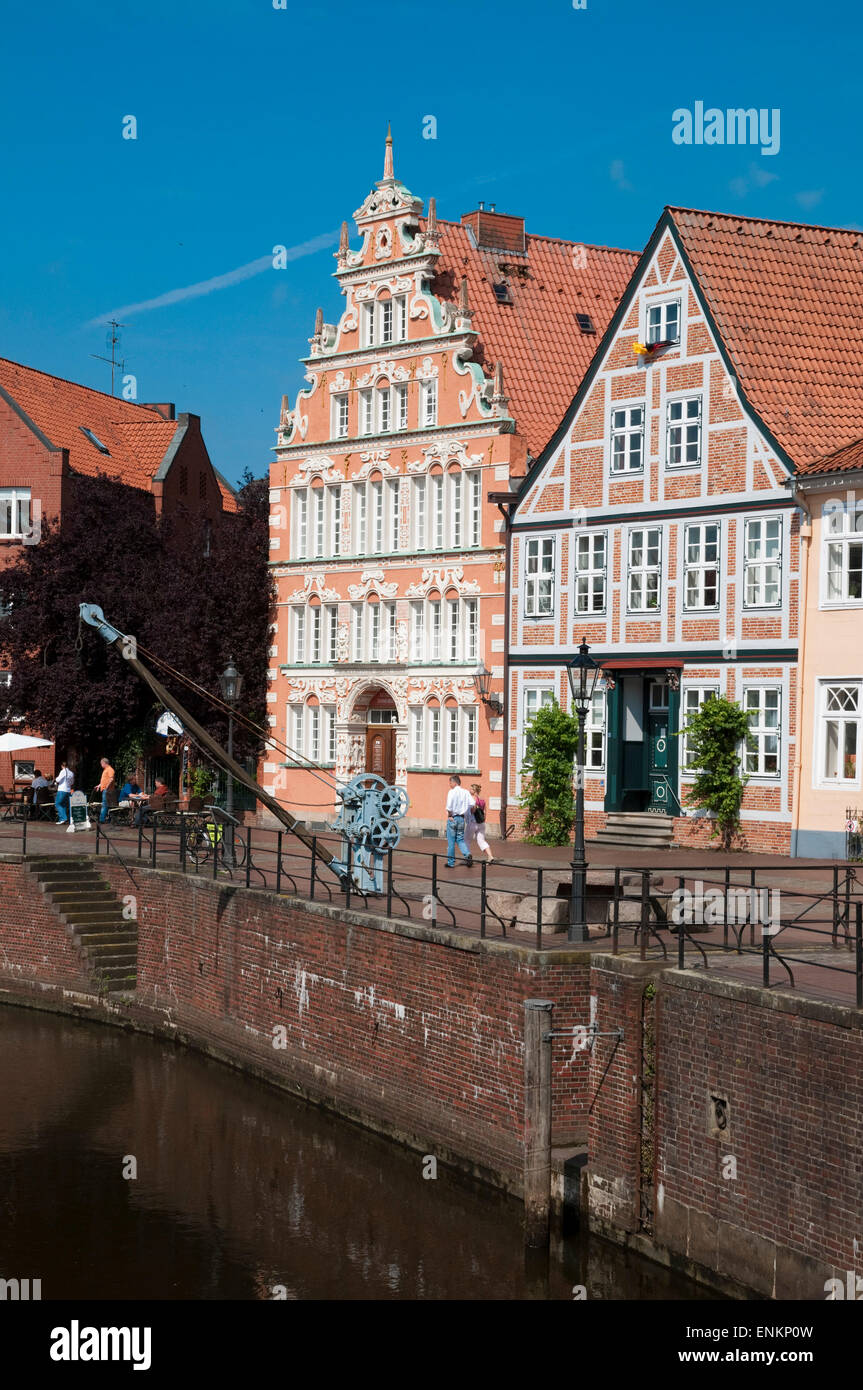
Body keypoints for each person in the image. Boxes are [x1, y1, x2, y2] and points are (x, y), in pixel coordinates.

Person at [445, 775, 474, 869]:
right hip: (462, 819)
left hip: (453, 818)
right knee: (460, 839)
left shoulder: (452, 792)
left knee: (451, 842)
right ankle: (467, 854)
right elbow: (472, 803)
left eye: (450, 782)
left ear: (454, 782)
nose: (449, 785)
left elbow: (449, 807)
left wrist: (449, 815)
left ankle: (451, 862)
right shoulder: (466, 792)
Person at [466, 783, 495, 864]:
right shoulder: (483, 799)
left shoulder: (473, 799)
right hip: (481, 823)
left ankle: (468, 858)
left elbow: (472, 811)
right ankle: (490, 856)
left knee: (467, 840)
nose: (469, 790)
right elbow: (485, 812)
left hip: (472, 823)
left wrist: (470, 809)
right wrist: (483, 820)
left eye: (471, 789)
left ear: (474, 791)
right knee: (481, 841)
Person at [97, 757, 115, 824]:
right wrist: (99, 785)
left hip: (107, 790)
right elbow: (105, 780)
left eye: (101, 763)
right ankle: (105, 818)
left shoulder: (110, 769)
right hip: (105, 789)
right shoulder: (106, 770)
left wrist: (106, 787)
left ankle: (102, 819)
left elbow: (111, 779)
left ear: (104, 763)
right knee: (105, 804)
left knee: (104, 804)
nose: (101, 765)